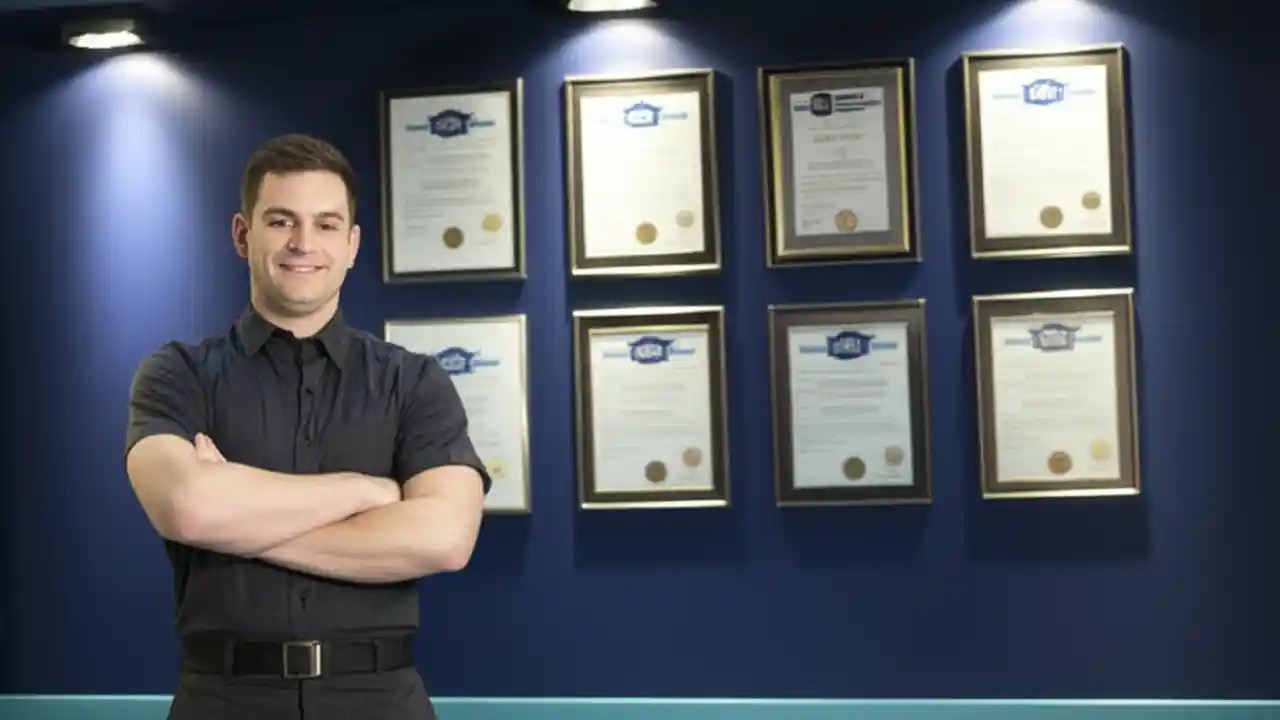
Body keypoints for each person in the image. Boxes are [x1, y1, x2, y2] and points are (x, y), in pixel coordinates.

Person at [123, 133, 489, 720]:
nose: (302, 243)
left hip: (379, 702)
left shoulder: (414, 382)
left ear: (351, 244)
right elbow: (189, 509)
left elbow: (445, 539)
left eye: (325, 224)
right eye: (281, 221)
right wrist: (364, 491)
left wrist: (236, 518)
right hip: (223, 700)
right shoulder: (178, 374)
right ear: (243, 235)